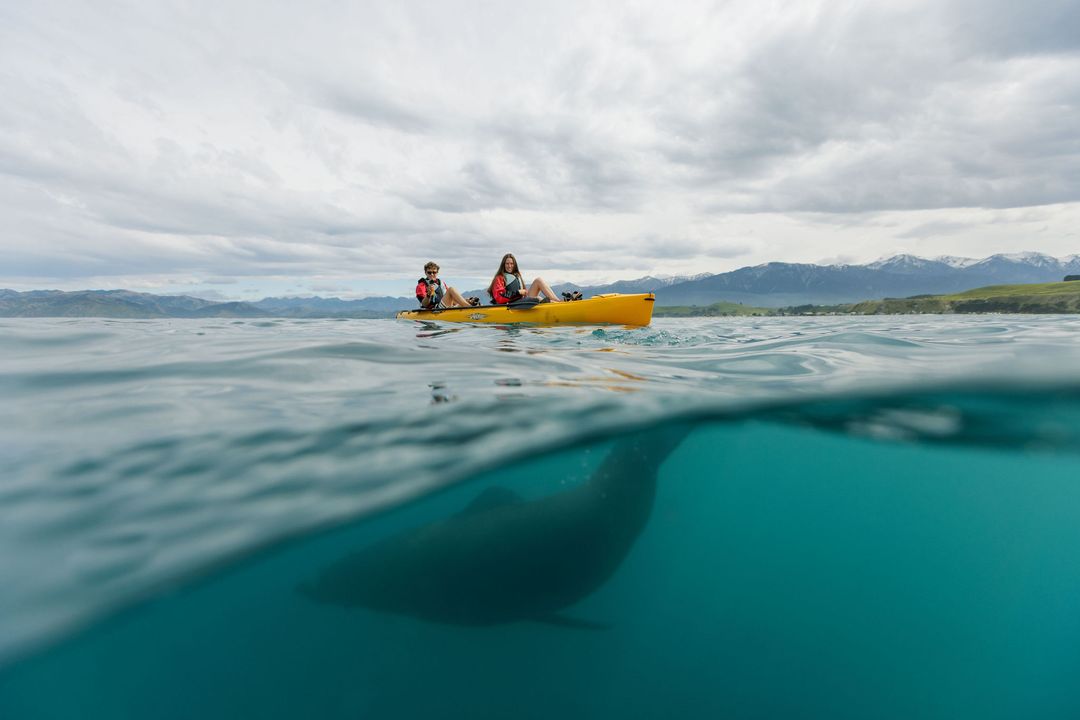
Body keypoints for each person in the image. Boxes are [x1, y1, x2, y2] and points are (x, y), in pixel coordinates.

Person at [487, 253, 561, 305]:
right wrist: (518, 292)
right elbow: (500, 297)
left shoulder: (516, 275)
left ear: (514, 264)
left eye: (512, 264)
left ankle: (559, 302)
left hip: (521, 301)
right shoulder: (499, 278)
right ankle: (557, 305)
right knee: (537, 298)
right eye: (507, 264)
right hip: (511, 304)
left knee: (538, 280)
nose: (509, 266)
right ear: (503, 265)